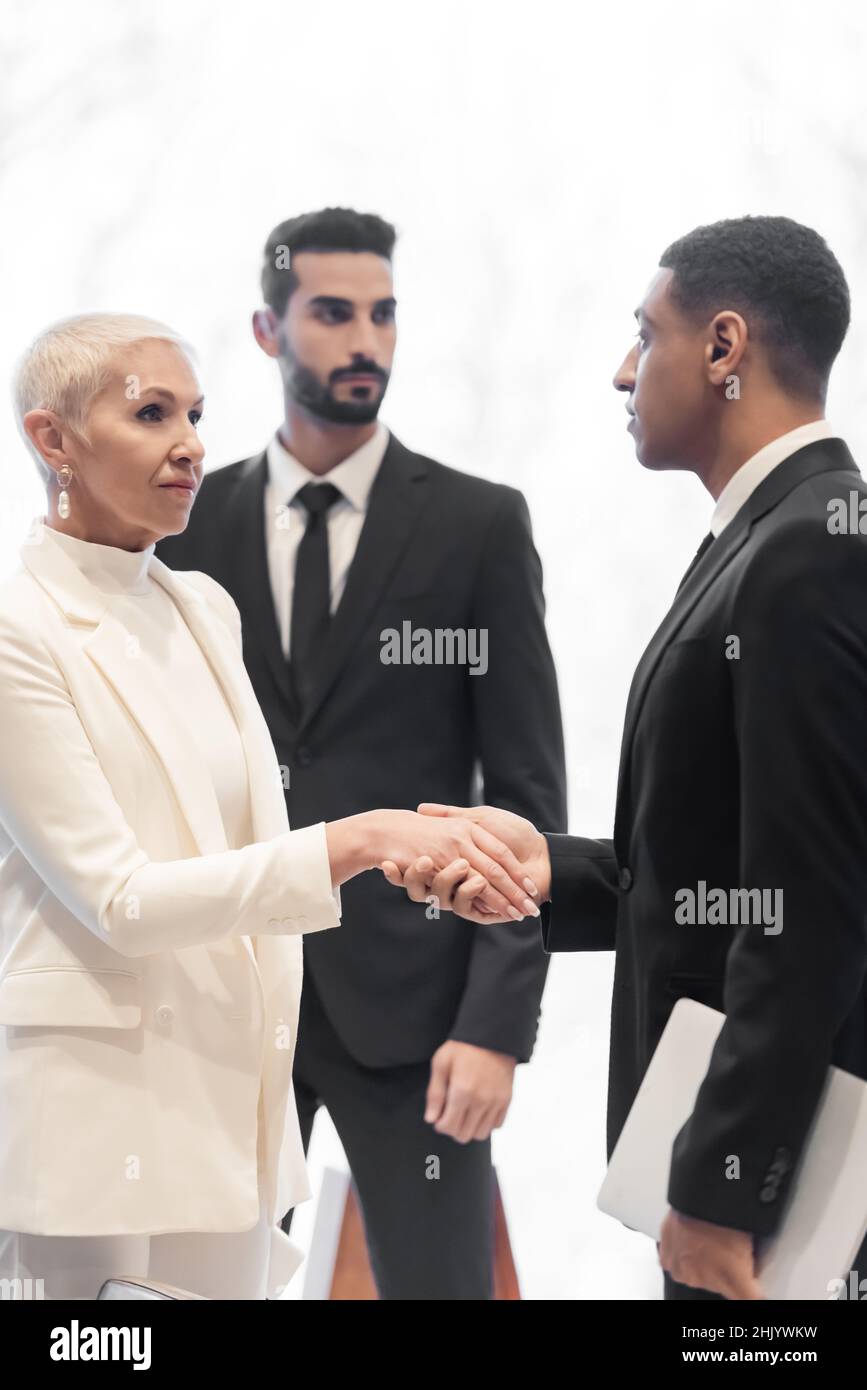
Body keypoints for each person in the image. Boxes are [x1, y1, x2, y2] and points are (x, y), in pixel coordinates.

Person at [0, 313, 535, 1301]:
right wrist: (366, 837)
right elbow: (118, 899)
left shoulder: (203, 606)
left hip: (233, 1113)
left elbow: (242, 852)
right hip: (96, 1128)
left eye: (197, 414)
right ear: (52, 440)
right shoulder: (16, 630)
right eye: (151, 413)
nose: (191, 442)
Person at [386, 215, 867, 1301]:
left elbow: (815, 903)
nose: (622, 369)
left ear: (724, 346)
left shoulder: (811, 553)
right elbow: (739, 865)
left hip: (779, 1190)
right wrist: (545, 872)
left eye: (643, 334)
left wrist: (721, 1183)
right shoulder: (765, 542)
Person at [155, 208, 566, 1299]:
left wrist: (496, 1029)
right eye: (333, 313)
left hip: (423, 1018)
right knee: (189, 1295)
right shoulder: (186, 530)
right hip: (227, 1007)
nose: (365, 341)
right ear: (267, 328)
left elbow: (526, 802)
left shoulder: (480, 525)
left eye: (384, 313)